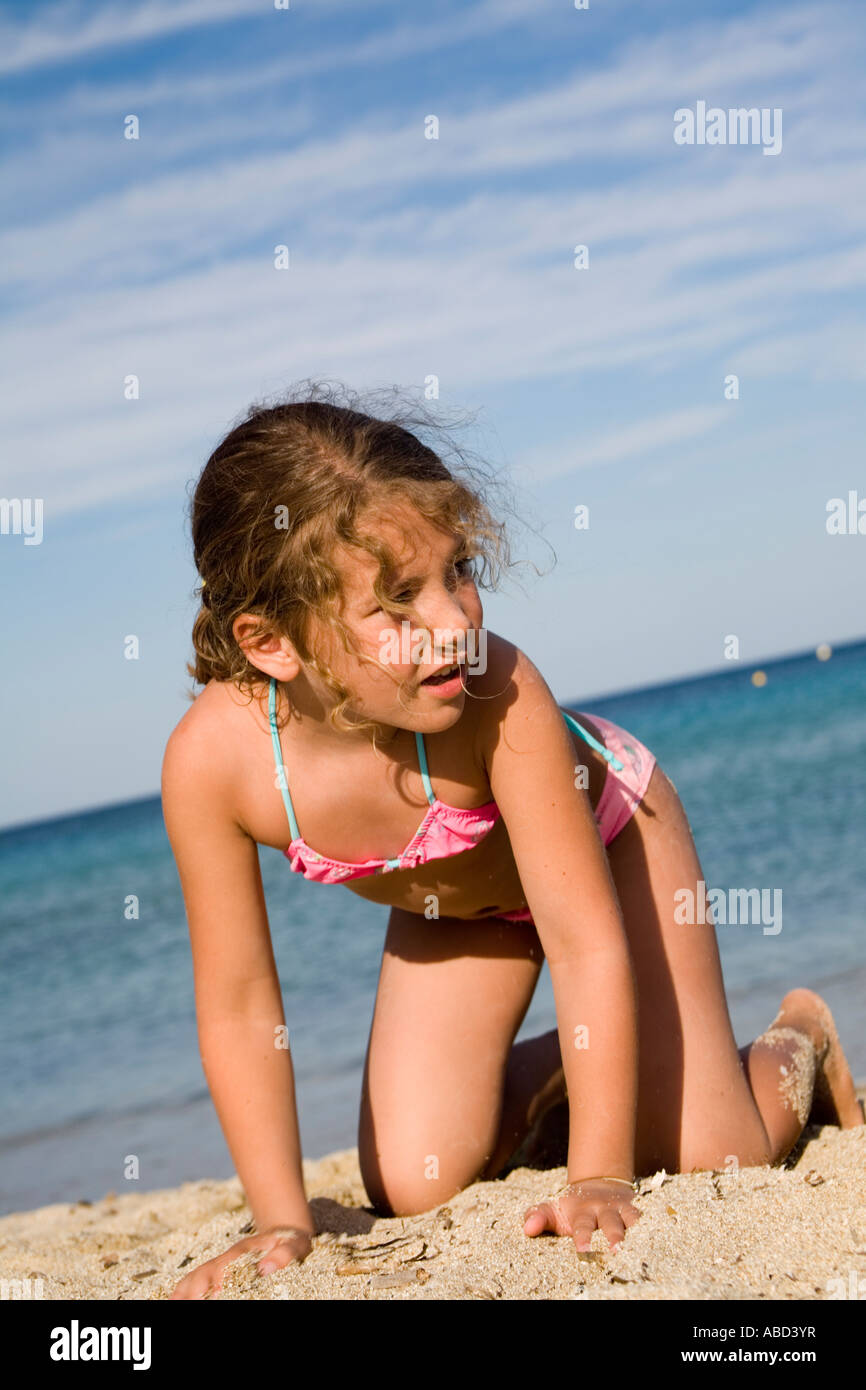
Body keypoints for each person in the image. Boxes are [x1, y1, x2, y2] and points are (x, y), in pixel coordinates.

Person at [163, 385, 863, 1300]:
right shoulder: (213, 766)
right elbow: (240, 1005)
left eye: (457, 571)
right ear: (269, 642)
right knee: (414, 1179)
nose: (457, 624)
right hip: (460, 910)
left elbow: (585, 940)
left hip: (611, 848)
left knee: (718, 1149)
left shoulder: (499, 690)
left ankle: (801, 1031)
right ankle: (574, 1065)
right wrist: (281, 1216)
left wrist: (600, 1174)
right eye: (399, 603)